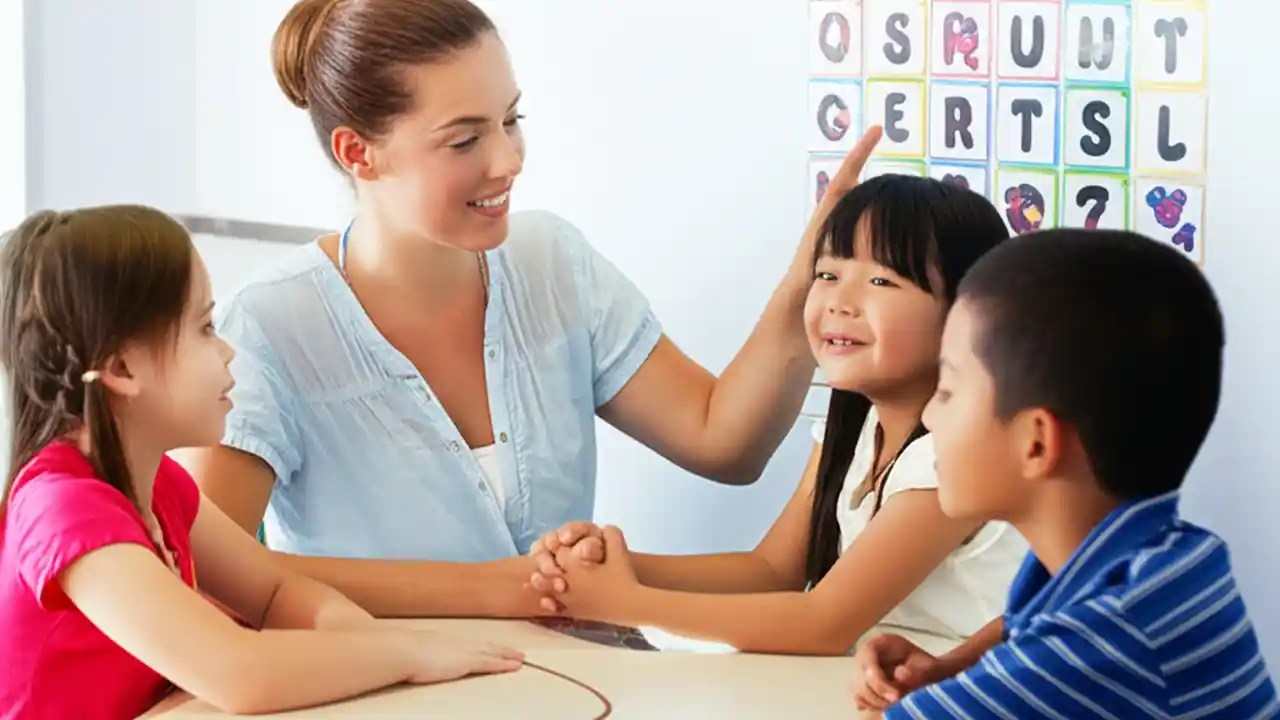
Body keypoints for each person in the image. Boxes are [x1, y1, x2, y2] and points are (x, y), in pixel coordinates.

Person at [177, 0, 885, 618]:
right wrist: (493, 590)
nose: (508, 159)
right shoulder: (266, 327)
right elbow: (208, 572)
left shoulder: (552, 263)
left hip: (587, 686)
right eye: (465, 139)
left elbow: (725, 443)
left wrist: (808, 282)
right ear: (358, 152)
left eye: (511, 119)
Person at [0, 206, 524, 719]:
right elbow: (238, 673)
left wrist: (371, 640)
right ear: (120, 368)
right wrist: (407, 655)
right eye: (205, 328)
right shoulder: (63, 509)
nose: (229, 352)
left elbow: (276, 592)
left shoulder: (160, 484)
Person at [524, 175, 1027, 656]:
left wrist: (626, 603)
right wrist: (616, 566)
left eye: (880, 280)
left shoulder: (951, 454)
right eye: (827, 274)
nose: (839, 301)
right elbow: (771, 570)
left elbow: (824, 624)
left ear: (965, 313)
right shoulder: (852, 430)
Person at [855, 229, 1279, 718]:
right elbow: (1027, 630)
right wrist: (953, 669)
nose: (930, 416)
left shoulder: (1100, 638)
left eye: (947, 390)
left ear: (1036, 441)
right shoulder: (1179, 563)